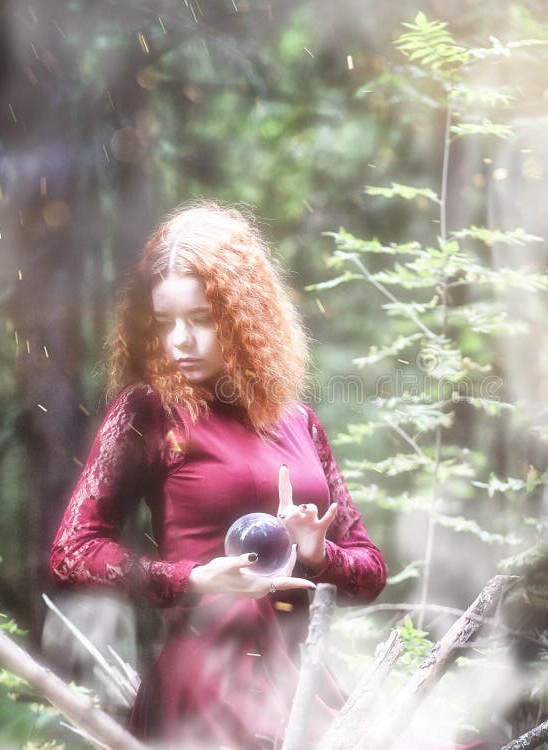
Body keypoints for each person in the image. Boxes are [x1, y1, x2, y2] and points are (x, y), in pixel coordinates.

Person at [49, 201, 387, 748]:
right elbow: (71, 550)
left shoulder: (300, 422)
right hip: (205, 689)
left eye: (200, 319)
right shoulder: (149, 412)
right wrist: (193, 579)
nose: (178, 340)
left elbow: (371, 571)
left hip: (301, 684)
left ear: (243, 315)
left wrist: (319, 553)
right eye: (164, 323)